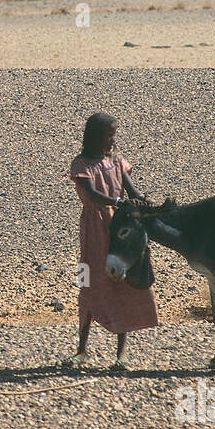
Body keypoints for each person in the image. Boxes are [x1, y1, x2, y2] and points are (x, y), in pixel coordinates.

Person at [65, 112, 158, 370]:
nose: (112, 140)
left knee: (122, 284)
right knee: (88, 283)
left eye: (113, 135)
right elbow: (92, 194)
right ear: (96, 136)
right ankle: (81, 351)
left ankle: (122, 355)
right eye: (109, 135)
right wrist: (116, 202)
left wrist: (142, 200)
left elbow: (132, 189)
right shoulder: (82, 164)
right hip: (94, 230)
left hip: (120, 231)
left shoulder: (116, 162)